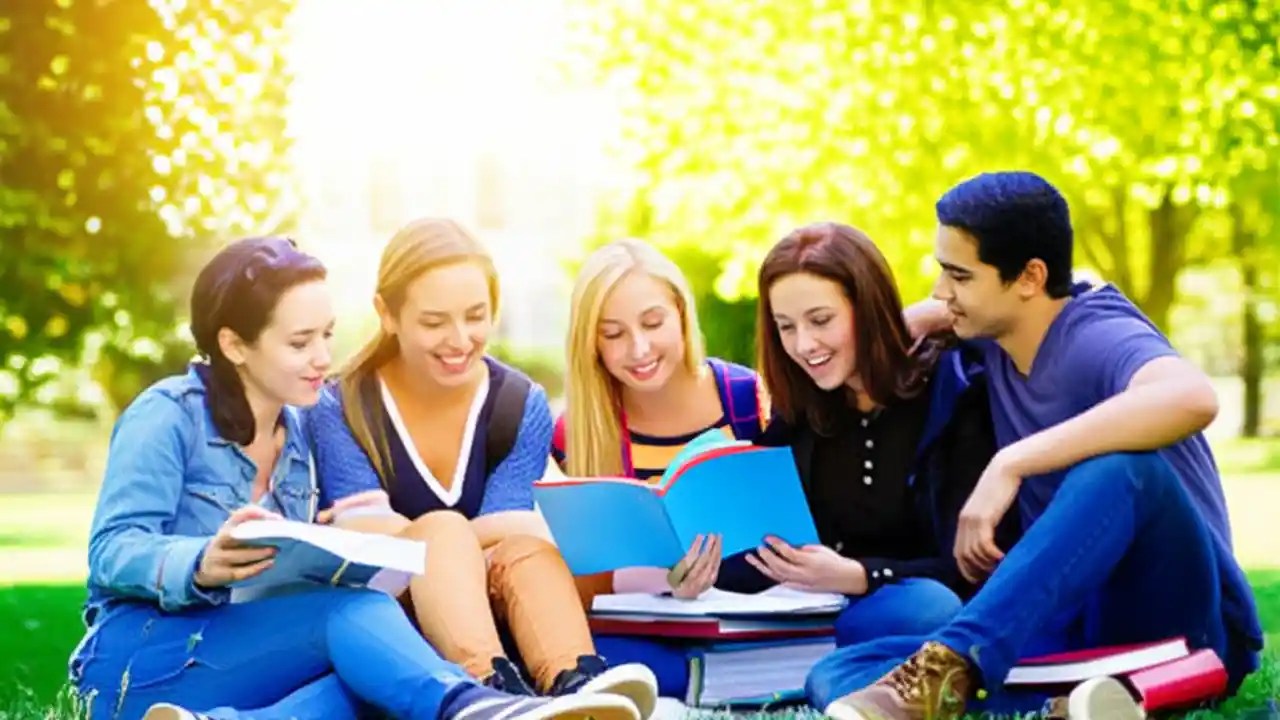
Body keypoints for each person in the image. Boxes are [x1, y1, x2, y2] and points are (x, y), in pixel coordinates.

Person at [68, 237, 641, 720]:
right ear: (234, 344)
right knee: (353, 619)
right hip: (141, 654)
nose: (323, 357)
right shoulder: (167, 414)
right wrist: (200, 562)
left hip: (241, 648)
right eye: (300, 342)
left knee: (375, 676)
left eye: (326, 334)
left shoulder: (300, 432)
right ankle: (474, 708)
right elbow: (112, 550)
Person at [818, 172, 1265, 720]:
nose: (940, 290)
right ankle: (1082, 705)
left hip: (1187, 623)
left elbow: (1192, 397)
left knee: (1124, 471)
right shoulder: (995, 337)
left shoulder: (1096, 334)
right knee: (839, 673)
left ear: (1031, 277)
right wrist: (919, 319)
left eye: (959, 275)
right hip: (1081, 622)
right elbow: (926, 318)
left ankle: (955, 667)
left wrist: (1012, 462)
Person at [306, 219, 658, 719]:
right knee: (447, 532)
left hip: (497, 608)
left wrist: (459, 545)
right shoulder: (342, 404)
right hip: (390, 615)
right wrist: (443, 542)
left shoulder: (518, 402)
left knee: (526, 551)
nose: (460, 339)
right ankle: (487, 690)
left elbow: (510, 523)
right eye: (434, 322)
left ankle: (578, 681)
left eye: (477, 316)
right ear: (387, 314)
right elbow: (362, 530)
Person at [549, 238, 769, 696]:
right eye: (613, 334)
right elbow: (575, 578)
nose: (639, 348)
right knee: (631, 667)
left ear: (682, 316)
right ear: (590, 343)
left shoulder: (749, 400)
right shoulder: (575, 433)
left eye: (653, 323)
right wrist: (661, 580)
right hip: (642, 631)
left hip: (757, 617)